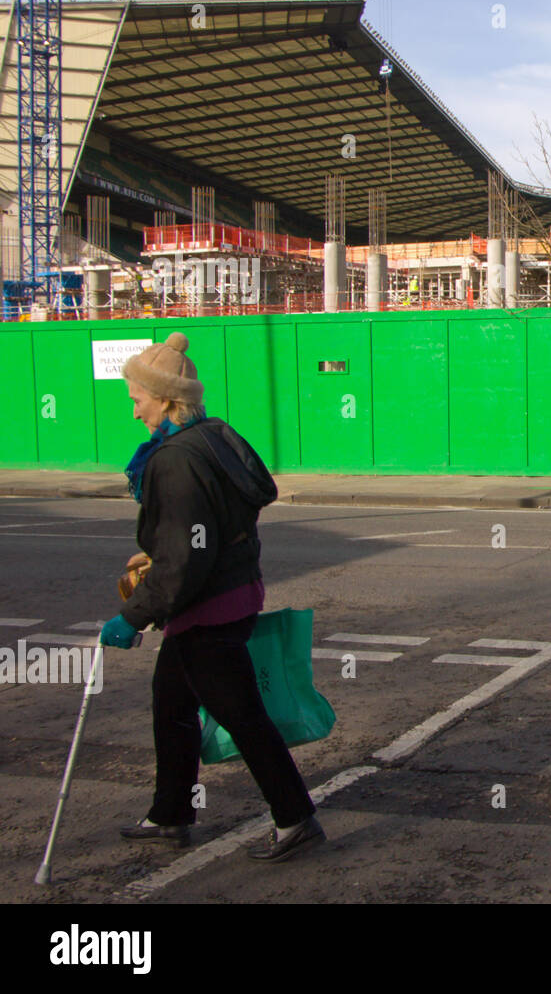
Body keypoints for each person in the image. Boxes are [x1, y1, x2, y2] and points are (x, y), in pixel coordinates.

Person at [99, 332, 323, 862]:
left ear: (164, 397)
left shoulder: (175, 459)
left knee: (243, 715)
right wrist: (161, 556)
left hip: (207, 608)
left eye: (137, 399)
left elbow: (185, 555)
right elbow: (205, 534)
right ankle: (169, 813)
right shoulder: (215, 436)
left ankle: (294, 817)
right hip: (231, 592)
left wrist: (135, 614)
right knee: (172, 705)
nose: (134, 412)